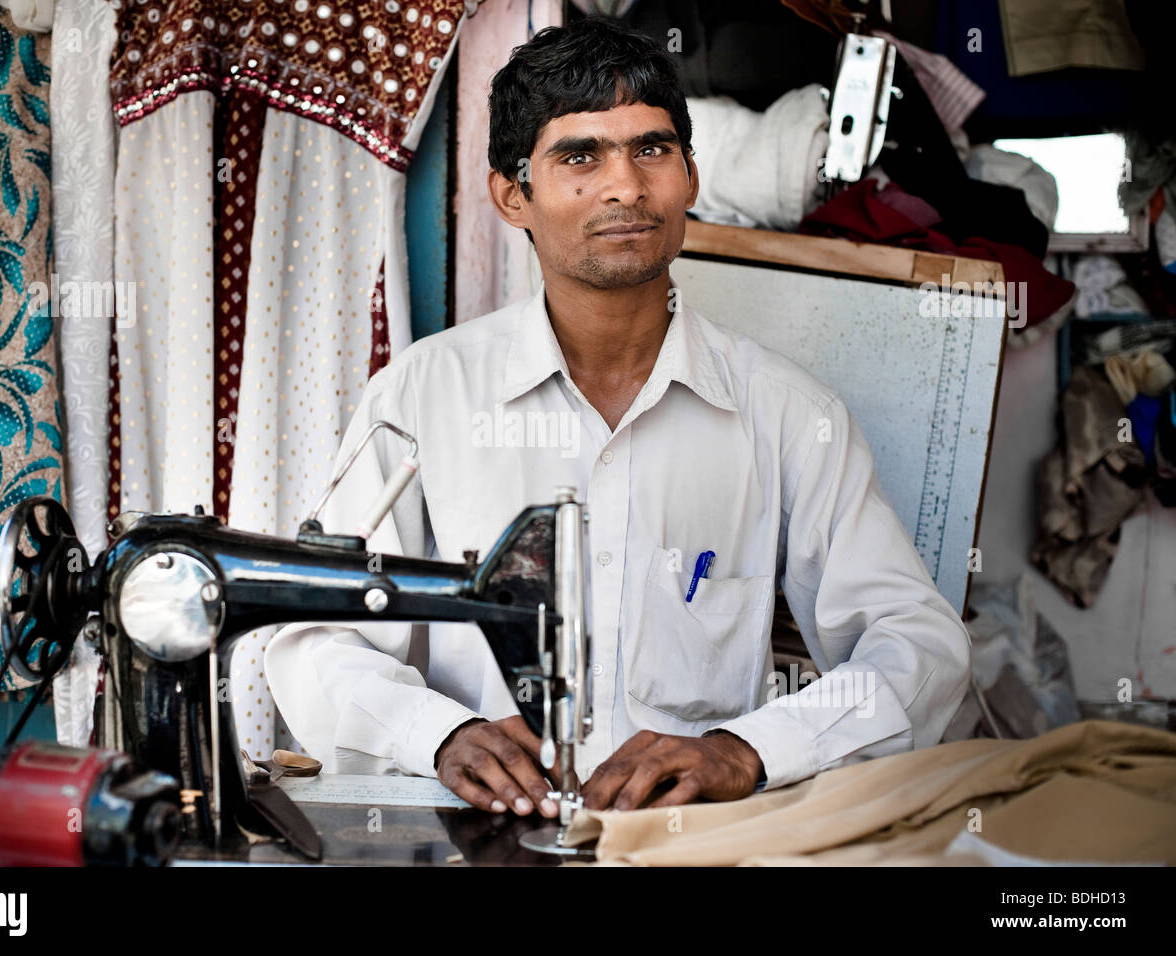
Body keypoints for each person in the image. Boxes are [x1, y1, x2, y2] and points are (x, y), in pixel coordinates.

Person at [266, 17, 970, 819]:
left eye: (652, 149)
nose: (626, 187)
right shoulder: (422, 400)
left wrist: (748, 750)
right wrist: (439, 734)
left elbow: (920, 645)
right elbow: (313, 631)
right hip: (487, 837)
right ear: (511, 196)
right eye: (579, 156)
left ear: (690, 179)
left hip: (688, 841)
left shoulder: (787, 416)